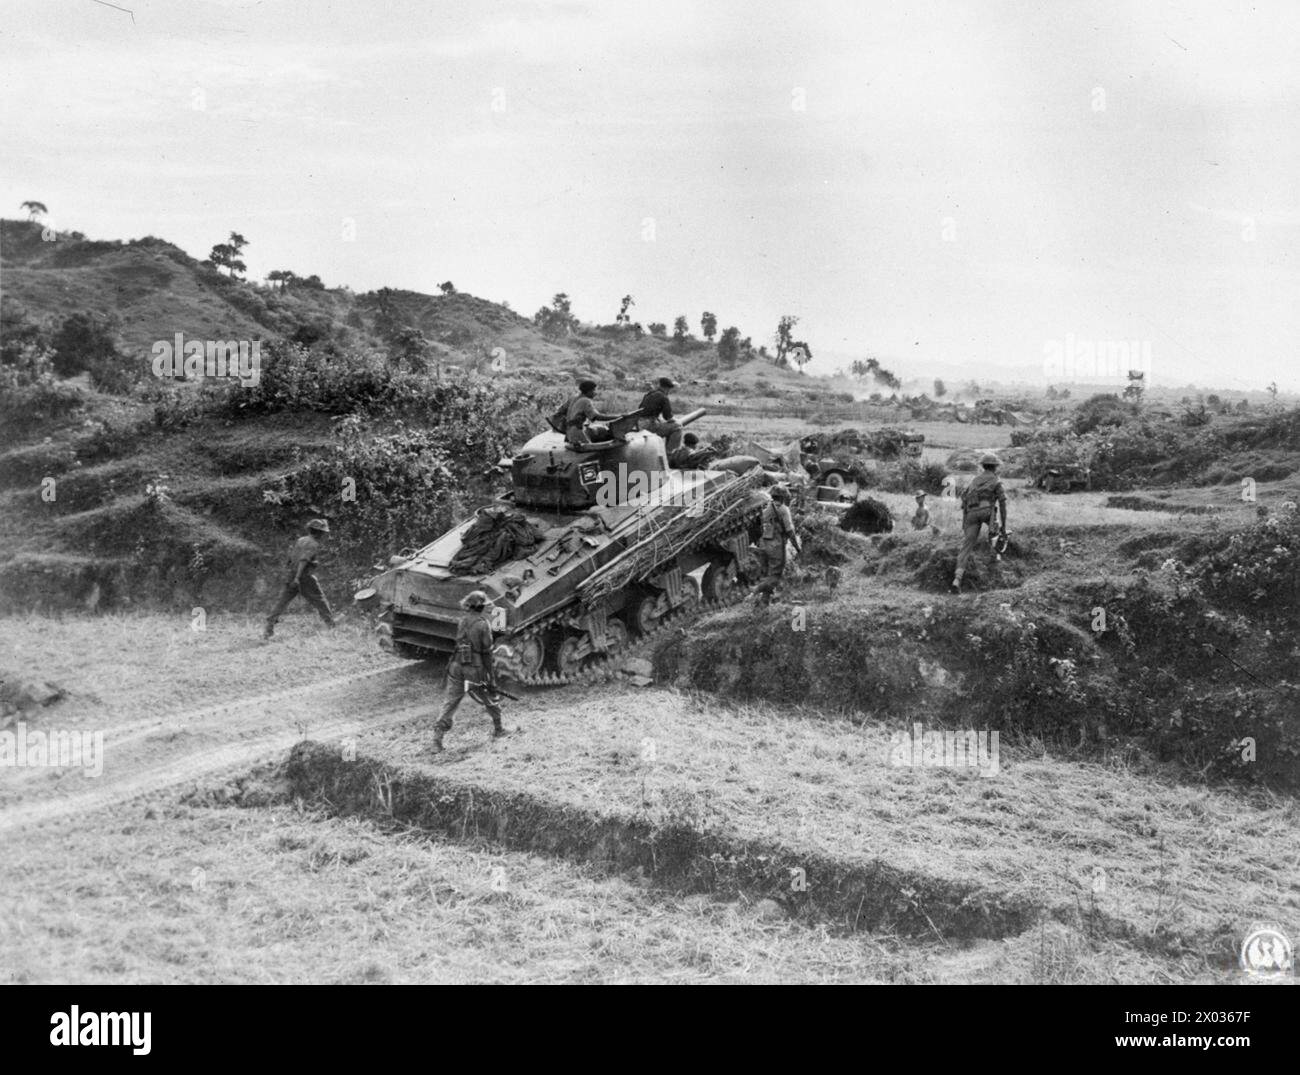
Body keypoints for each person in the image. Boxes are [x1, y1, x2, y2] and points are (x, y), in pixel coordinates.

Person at [432, 590, 505, 754]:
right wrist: (491, 678)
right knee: (488, 696)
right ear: (481, 607)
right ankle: (499, 729)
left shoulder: (462, 621)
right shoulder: (483, 624)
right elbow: (487, 652)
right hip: (474, 668)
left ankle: (437, 740)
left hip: (456, 665)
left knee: (450, 702)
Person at [264, 519, 336, 639]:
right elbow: (303, 560)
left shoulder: (301, 540)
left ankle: (269, 626)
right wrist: (298, 577)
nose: (324, 535)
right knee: (320, 600)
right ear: (319, 532)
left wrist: (292, 575)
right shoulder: (313, 544)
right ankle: (331, 625)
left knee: (282, 601)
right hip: (304, 576)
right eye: (323, 532)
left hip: (292, 574)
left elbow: (291, 557)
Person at [952, 453, 1007, 593]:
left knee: (966, 548)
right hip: (988, 511)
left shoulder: (974, 481)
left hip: (971, 514)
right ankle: (997, 569)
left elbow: (964, 500)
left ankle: (957, 579)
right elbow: (1002, 503)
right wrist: (1003, 527)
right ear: (995, 467)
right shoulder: (996, 480)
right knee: (996, 537)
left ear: (983, 466)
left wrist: (965, 524)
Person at [756, 485, 801, 581]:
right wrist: (797, 547)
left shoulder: (767, 508)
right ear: (782, 497)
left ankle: (760, 592)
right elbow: (790, 531)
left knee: (764, 572)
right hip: (776, 546)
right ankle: (765, 594)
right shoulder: (783, 509)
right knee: (775, 574)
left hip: (763, 545)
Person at [565, 379, 621, 448]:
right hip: (577, 432)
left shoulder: (575, 398)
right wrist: (618, 417)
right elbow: (597, 417)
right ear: (589, 391)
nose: (595, 393)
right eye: (594, 390)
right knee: (591, 449)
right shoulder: (585, 400)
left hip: (570, 432)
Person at [637, 376, 683, 452]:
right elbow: (668, 418)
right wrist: (677, 421)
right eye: (669, 390)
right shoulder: (663, 397)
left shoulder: (649, 394)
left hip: (640, 424)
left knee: (662, 423)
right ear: (667, 388)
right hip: (649, 426)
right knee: (677, 427)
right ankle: (670, 453)